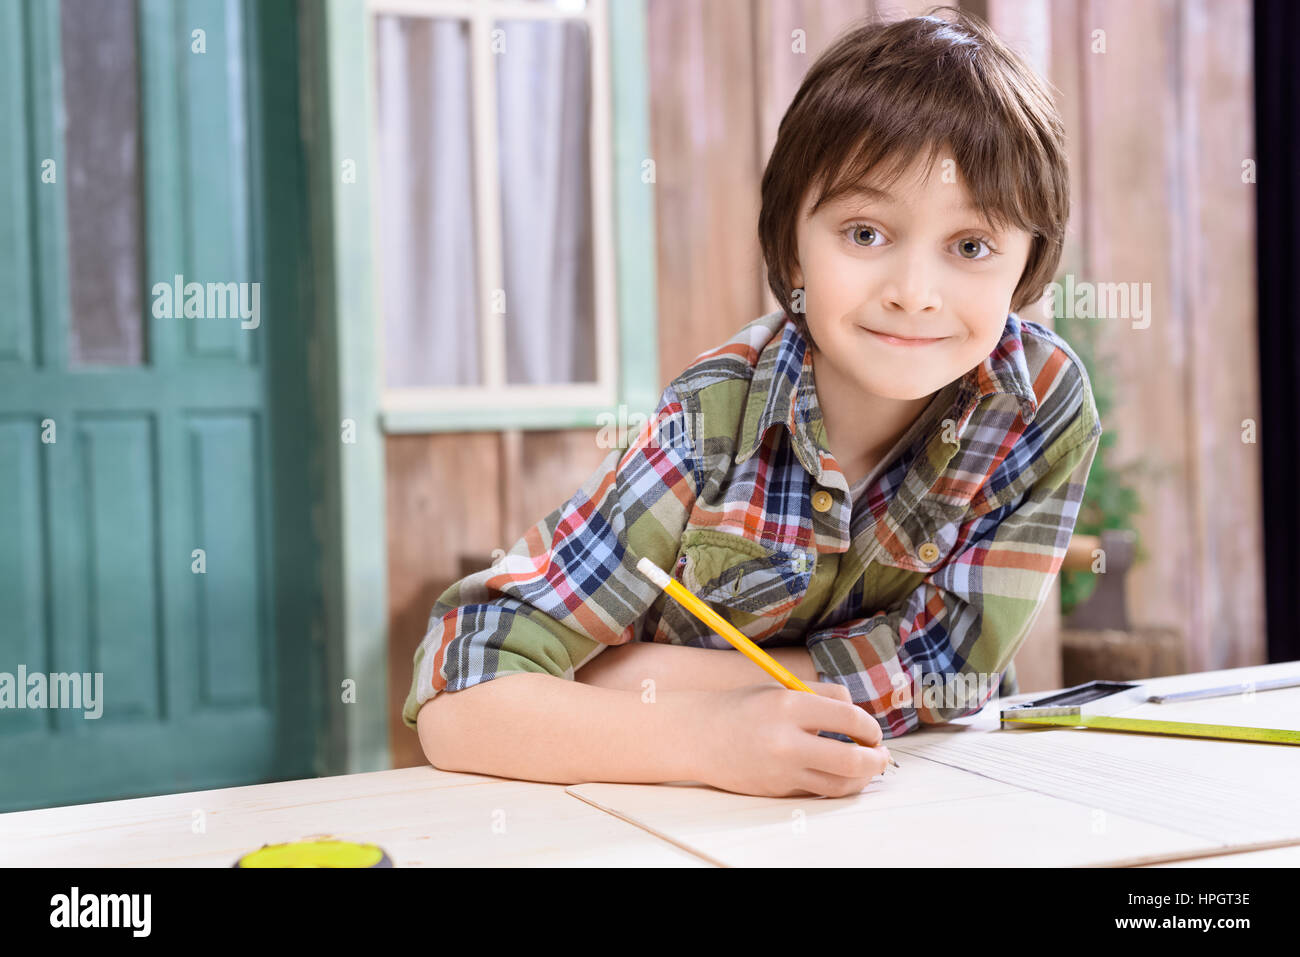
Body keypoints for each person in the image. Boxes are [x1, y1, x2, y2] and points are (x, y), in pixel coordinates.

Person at [403, 8, 1101, 799]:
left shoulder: (1040, 402)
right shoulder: (714, 416)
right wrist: (708, 736)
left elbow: (952, 677)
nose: (914, 295)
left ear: (1028, 265)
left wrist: (632, 675)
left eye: (970, 247)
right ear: (790, 245)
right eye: (866, 234)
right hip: (657, 812)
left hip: (919, 802)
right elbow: (461, 689)